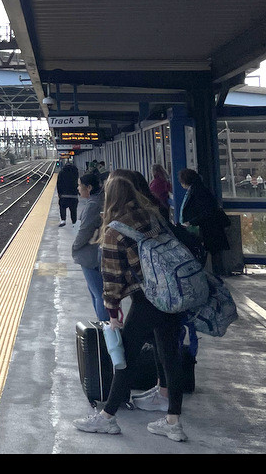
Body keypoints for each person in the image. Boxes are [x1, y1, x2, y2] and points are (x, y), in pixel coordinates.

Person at [73, 175, 188, 442]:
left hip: (146, 299)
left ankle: (108, 418)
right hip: (170, 295)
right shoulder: (153, 217)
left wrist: (112, 314)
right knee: (170, 355)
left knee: (125, 357)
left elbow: (111, 280)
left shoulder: (114, 230)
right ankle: (173, 421)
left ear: (110, 198)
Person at [178, 168, 231, 275]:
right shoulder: (199, 188)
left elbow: (206, 211)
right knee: (214, 253)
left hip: (207, 228)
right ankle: (217, 274)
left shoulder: (197, 191)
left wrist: (191, 222)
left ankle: (216, 275)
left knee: (211, 254)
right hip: (209, 228)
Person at [72, 172, 108, 320]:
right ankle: (105, 329)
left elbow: (85, 231)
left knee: (99, 295)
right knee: (99, 293)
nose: (78, 188)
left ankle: (105, 330)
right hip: (97, 253)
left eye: (80, 185)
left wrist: (75, 247)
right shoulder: (99, 200)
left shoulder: (93, 205)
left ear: (89, 187)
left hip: (90, 256)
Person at [56, 160, 80, 228]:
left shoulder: (61, 172)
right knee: (73, 210)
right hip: (74, 195)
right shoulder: (75, 172)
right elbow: (77, 182)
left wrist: (59, 194)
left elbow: (58, 184)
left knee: (62, 207)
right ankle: (74, 222)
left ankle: (63, 220)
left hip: (64, 195)